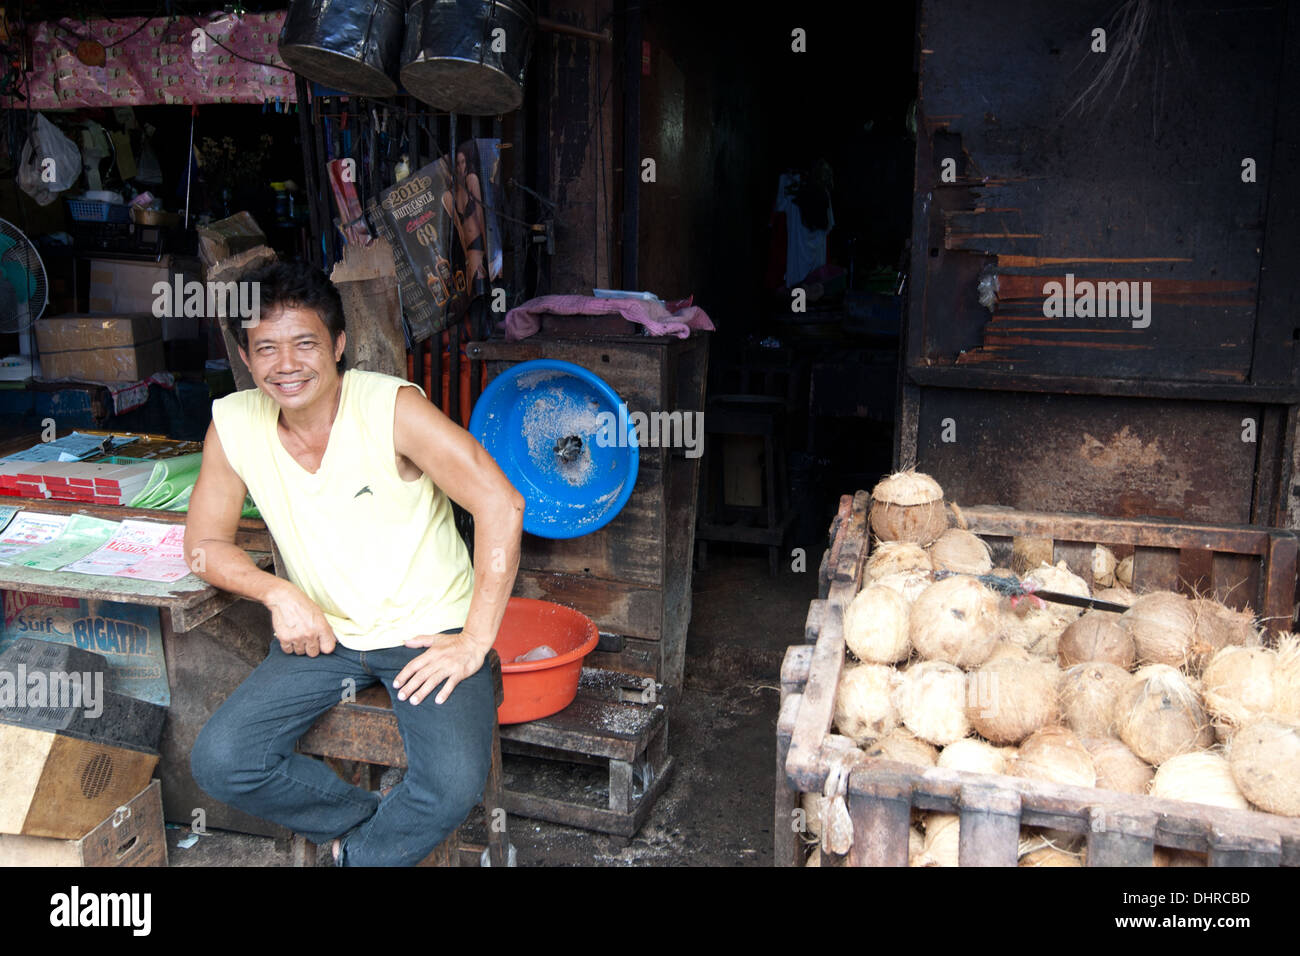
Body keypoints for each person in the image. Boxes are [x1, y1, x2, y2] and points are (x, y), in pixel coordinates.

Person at [184, 261, 524, 866]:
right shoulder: (233, 423)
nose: (286, 365)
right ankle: (371, 834)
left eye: (305, 343)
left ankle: (354, 857)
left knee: (450, 786)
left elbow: (500, 502)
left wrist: (474, 640)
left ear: (338, 346)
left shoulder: (391, 409)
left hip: (427, 633)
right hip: (326, 637)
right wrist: (278, 594)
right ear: (246, 354)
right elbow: (204, 545)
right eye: (266, 348)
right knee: (223, 760)